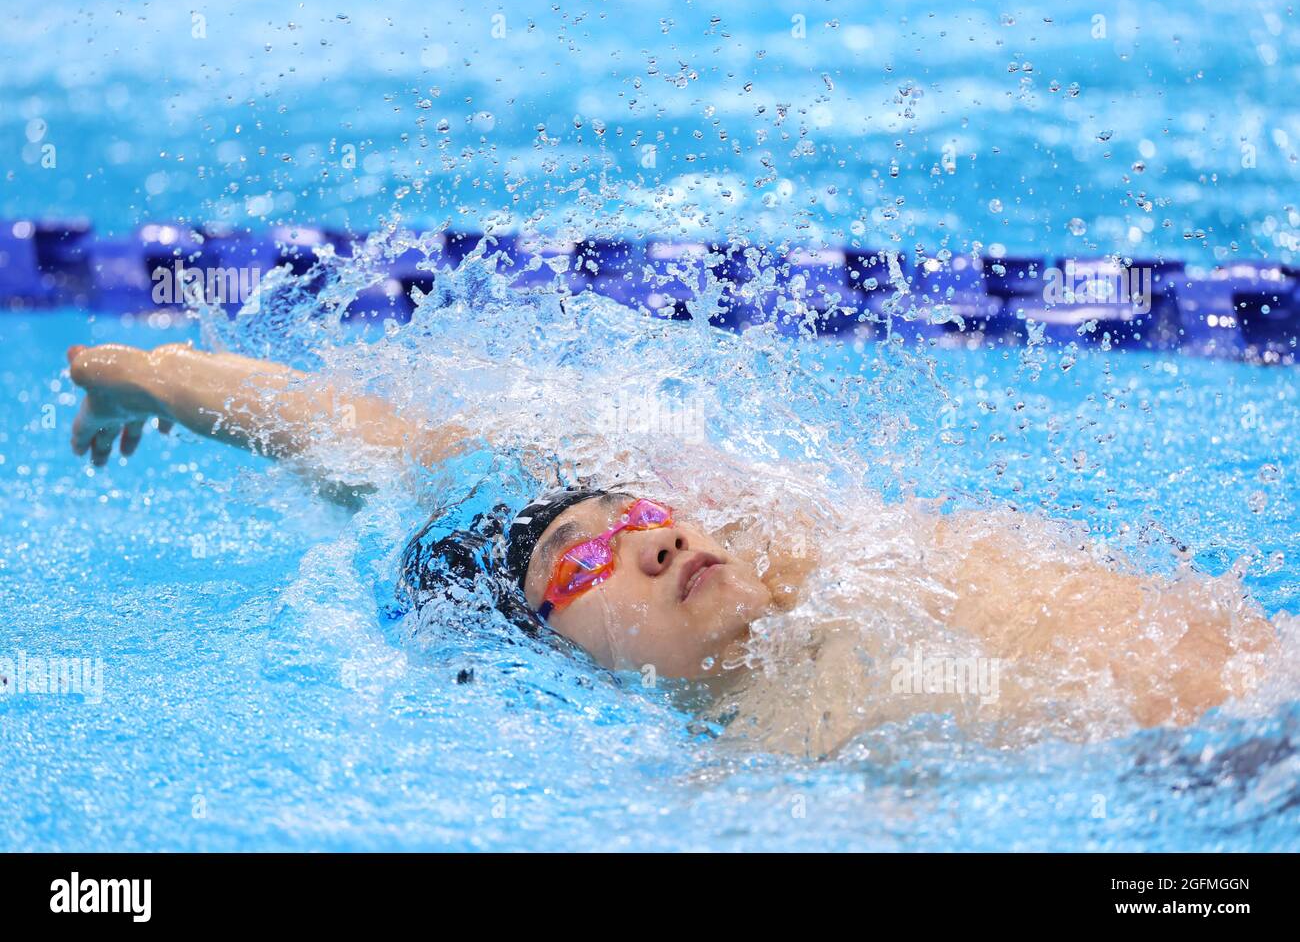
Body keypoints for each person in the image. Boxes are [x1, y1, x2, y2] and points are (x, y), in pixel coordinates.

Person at [65, 340, 1289, 756]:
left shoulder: (809, 547)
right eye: (581, 565)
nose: (648, 543)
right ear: (556, 658)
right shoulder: (769, 756)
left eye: (635, 515)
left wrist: (144, 377)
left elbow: (363, 437)